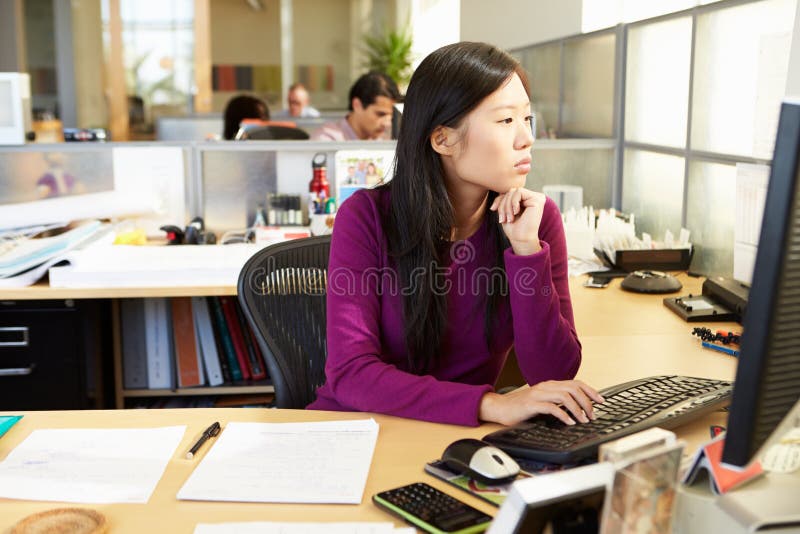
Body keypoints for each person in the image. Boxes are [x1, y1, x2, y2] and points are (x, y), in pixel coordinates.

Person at [308, 42, 603, 427]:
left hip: (452, 439)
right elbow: (351, 374)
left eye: (527, 119)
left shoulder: (535, 220)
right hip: (358, 431)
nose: (526, 138)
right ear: (442, 139)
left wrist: (527, 251)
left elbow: (554, 375)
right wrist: (492, 405)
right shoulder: (366, 217)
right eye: (505, 121)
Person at [310, 71, 400, 141]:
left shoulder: (385, 140)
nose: (387, 123)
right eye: (380, 114)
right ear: (357, 105)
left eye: (391, 116)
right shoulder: (327, 140)